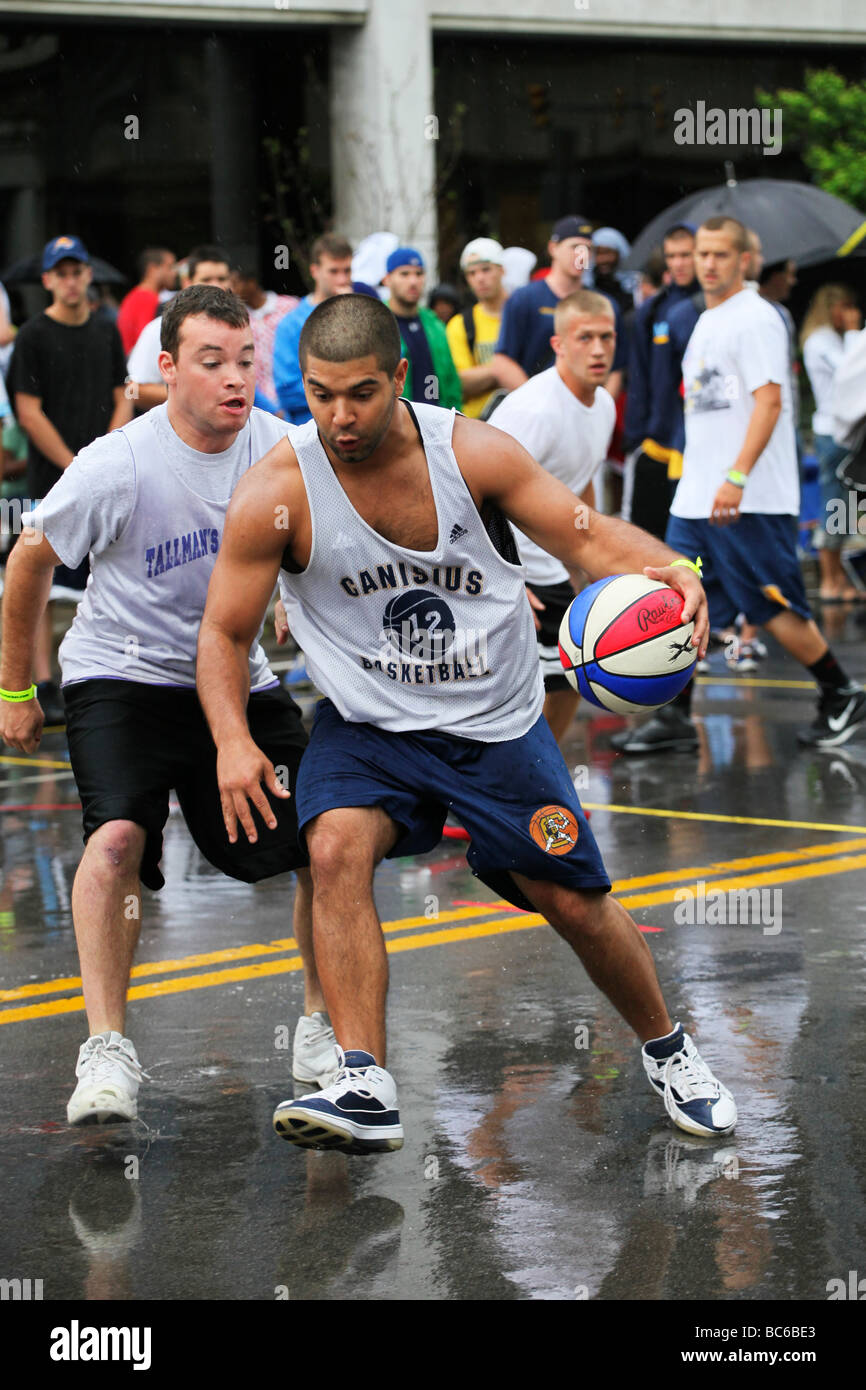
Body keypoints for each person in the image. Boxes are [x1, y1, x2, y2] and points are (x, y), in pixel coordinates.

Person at [195, 291, 737, 1158]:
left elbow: (585, 537)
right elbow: (223, 632)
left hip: (493, 723)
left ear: (401, 378)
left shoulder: (471, 455)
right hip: (368, 726)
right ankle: (365, 1080)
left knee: (576, 903)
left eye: (362, 394)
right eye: (321, 394)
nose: (339, 416)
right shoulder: (277, 491)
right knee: (332, 845)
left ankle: (669, 1050)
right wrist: (231, 740)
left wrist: (674, 566)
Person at [0, 284, 337, 1127]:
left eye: (245, 360)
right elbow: (28, 564)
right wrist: (14, 688)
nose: (234, 377)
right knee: (116, 838)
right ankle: (107, 1050)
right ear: (166, 369)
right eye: (210, 361)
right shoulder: (117, 462)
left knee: (329, 839)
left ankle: (320, 1026)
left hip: (239, 676)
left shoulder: (284, 449)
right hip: (123, 675)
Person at [618, 217, 866, 754]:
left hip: (746, 497)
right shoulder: (705, 319)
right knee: (675, 597)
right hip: (696, 496)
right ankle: (677, 715)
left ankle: (841, 692)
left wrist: (736, 477)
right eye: (702, 253)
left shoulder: (756, 318)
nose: (708, 263)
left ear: (745, 260)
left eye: (720, 254)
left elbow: (770, 402)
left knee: (771, 607)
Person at [7, 235, 132, 723]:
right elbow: (27, 411)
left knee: (108, 572)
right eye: (60, 272)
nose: (70, 280)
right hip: (49, 476)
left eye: (77, 270)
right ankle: (42, 680)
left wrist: (110, 447)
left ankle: (108, 675)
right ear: (47, 281)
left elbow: (121, 390)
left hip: (103, 470)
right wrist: (74, 464)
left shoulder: (106, 329)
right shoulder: (33, 336)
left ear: (87, 275)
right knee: (39, 576)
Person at [490, 289, 616, 742]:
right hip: (508, 564)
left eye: (607, 337)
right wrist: (504, 576)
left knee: (574, 677)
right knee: (542, 685)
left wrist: (592, 562)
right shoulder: (535, 409)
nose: (599, 349)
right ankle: (521, 786)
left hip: (548, 567)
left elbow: (578, 486)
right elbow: (471, 489)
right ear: (559, 345)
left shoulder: (603, 404)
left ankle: (543, 775)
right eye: (585, 338)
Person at [491, 216, 627, 399]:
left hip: (586, 410)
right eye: (574, 247)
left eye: (588, 249)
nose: (581, 255)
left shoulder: (604, 304)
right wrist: (538, 404)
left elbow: (616, 368)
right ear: (553, 248)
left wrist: (600, 411)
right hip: (536, 410)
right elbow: (502, 362)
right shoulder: (524, 298)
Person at [623, 223, 699, 541]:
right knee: (655, 534)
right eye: (672, 256)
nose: (679, 263)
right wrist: (636, 435)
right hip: (659, 439)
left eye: (686, 255)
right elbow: (638, 375)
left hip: (699, 436)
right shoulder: (652, 310)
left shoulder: (711, 307)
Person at [801, 284, 862, 602]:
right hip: (831, 432)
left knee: (844, 507)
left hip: (843, 432)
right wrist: (854, 333)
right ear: (831, 307)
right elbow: (849, 373)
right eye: (845, 306)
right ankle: (829, 581)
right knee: (832, 505)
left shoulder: (831, 339)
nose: (852, 313)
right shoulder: (820, 341)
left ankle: (838, 579)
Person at [127, 246, 233, 411]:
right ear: (187, 283)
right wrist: (194, 394)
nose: (216, 286)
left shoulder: (241, 328)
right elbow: (133, 390)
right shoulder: (160, 328)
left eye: (221, 278)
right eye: (206, 279)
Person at [272, 234, 354, 425]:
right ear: (315, 271)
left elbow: (388, 364)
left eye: (347, 271)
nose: (342, 279)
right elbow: (287, 391)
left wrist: (352, 312)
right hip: (310, 431)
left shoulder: (363, 314)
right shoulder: (292, 324)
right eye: (333, 271)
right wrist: (348, 385)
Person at [382, 247, 462, 410]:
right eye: (404, 274)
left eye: (418, 274)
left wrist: (455, 420)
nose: (413, 281)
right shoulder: (376, 322)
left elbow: (451, 382)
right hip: (395, 425)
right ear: (387, 279)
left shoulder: (435, 325)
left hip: (436, 423)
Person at [445, 237, 509, 419]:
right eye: (471, 273)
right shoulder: (460, 324)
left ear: (502, 270)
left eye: (486, 269)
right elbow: (458, 383)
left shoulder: (522, 316)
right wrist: (506, 370)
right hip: (479, 425)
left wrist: (482, 376)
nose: (479, 278)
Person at [231, 267, 299, 414]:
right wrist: (270, 409)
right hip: (259, 407)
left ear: (251, 283)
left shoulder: (289, 306)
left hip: (294, 400)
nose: (233, 290)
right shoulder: (239, 318)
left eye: (236, 283)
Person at [116, 248, 177, 354]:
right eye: (170, 267)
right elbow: (150, 341)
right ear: (152, 269)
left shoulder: (139, 295)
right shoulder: (145, 298)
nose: (174, 273)